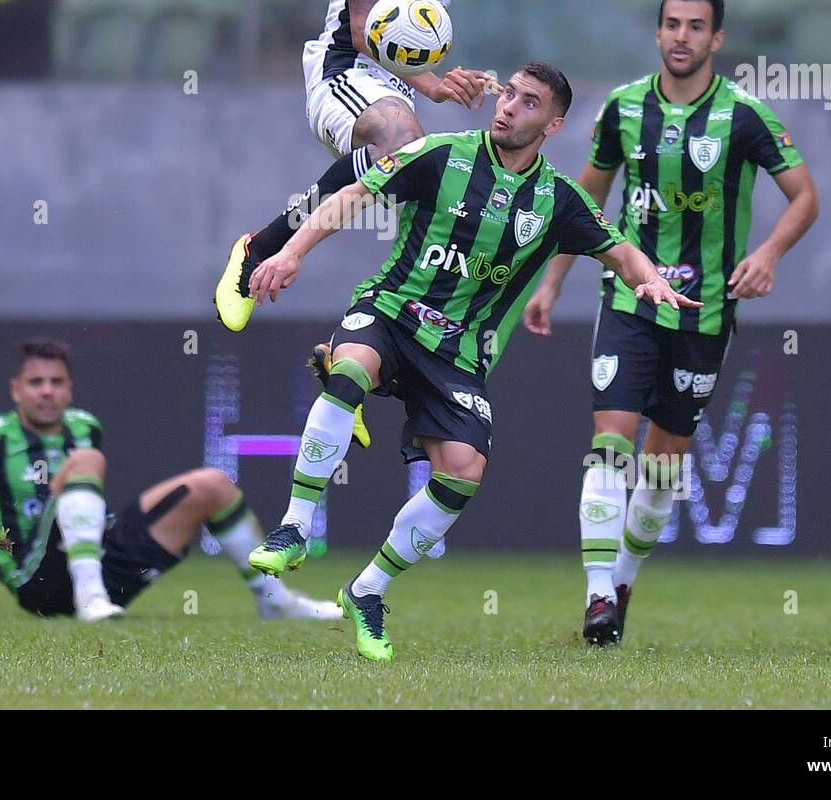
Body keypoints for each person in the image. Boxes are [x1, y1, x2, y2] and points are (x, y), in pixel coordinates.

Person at [242, 62, 698, 661]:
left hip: (459, 355)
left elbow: (618, 250)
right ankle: (295, 526)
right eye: (506, 93)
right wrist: (292, 252)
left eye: (527, 102)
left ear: (553, 124)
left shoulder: (559, 201)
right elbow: (352, 195)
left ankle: (368, 590)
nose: (507, 106)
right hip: (393, 312)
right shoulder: (441, 154)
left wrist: (651, 281)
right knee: (350, 370)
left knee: (462, 473)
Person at [523, 0, 819, 646]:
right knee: (610, 441)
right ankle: (598, 595)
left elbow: (804, 196)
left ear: (716, 41)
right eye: (672, 25)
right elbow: (586, 206)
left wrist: (769, 253)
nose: (682, 36)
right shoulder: (624, 110)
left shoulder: (744, 117)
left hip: (706, 311)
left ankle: (622, 581)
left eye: (697, 27)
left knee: (661, 468)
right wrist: (552, 284)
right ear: (657, 35)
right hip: (630, 296)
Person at [214, 0, 493, 337]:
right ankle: (260, 249)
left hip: (392, 88)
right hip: (345, 73)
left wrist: (447, 77)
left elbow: (415, 38)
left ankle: (366, 352)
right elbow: (366, 28)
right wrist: (433, 83)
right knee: (405, 143)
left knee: (424, 179)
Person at [0, 339, 340, 622]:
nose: (46, 391)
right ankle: (89, 598)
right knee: (86, 461)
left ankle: (274, 601)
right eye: (36, 382)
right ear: (16, 390)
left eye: (56, 382)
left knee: (213, 484)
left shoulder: (85, 426)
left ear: (69, 388)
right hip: (37, 582)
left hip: (99, 562)